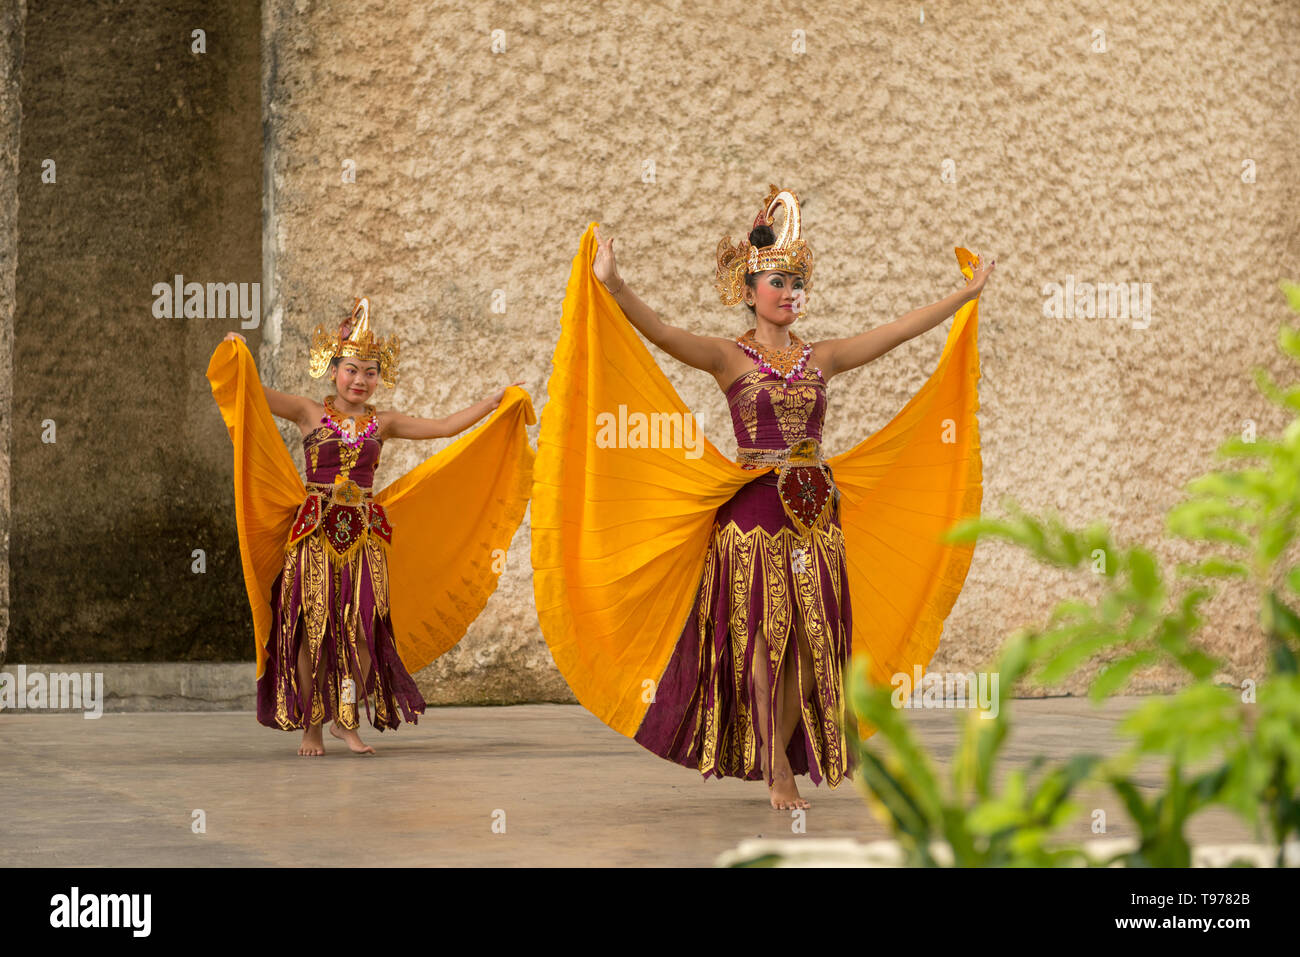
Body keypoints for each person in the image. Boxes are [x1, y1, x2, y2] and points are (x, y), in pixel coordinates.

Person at [531, 186, 991, 808]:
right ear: (748, 290)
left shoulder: (821, 358)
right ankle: (775, 766)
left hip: (814, 513)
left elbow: (894, 333)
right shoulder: (726, 357)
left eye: (799, 279)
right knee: (761, 639)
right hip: (752, 513)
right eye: (778, 279)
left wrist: (962, 296)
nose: (791, 291)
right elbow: (662, 333)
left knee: (812, 638)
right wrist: (614, 286)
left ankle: (779, 747)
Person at [209, 297, 534, 756]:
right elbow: (251, 394)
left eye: (370, 372)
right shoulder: (308, 413)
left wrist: (495, 401)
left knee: (363, 633)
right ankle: (313, 726)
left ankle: (347, 718)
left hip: (364, 538)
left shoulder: (386, 423)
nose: (361, 380)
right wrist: (237, 353)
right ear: (333, 369)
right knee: (312, 631)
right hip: (313, 536)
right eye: (351, 370)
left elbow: (443, 427)